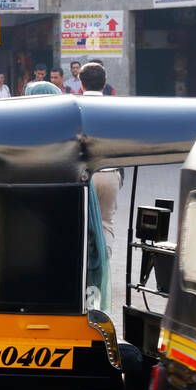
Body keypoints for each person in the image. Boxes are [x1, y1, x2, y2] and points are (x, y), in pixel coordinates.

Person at [81, 61, 123, 259]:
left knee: (80, 223)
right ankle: (103, 272)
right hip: (110, 173)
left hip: (82, 176)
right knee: (106, 223)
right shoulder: (115, 107)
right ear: (105, 82)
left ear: (81, 83)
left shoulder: (74, 106)